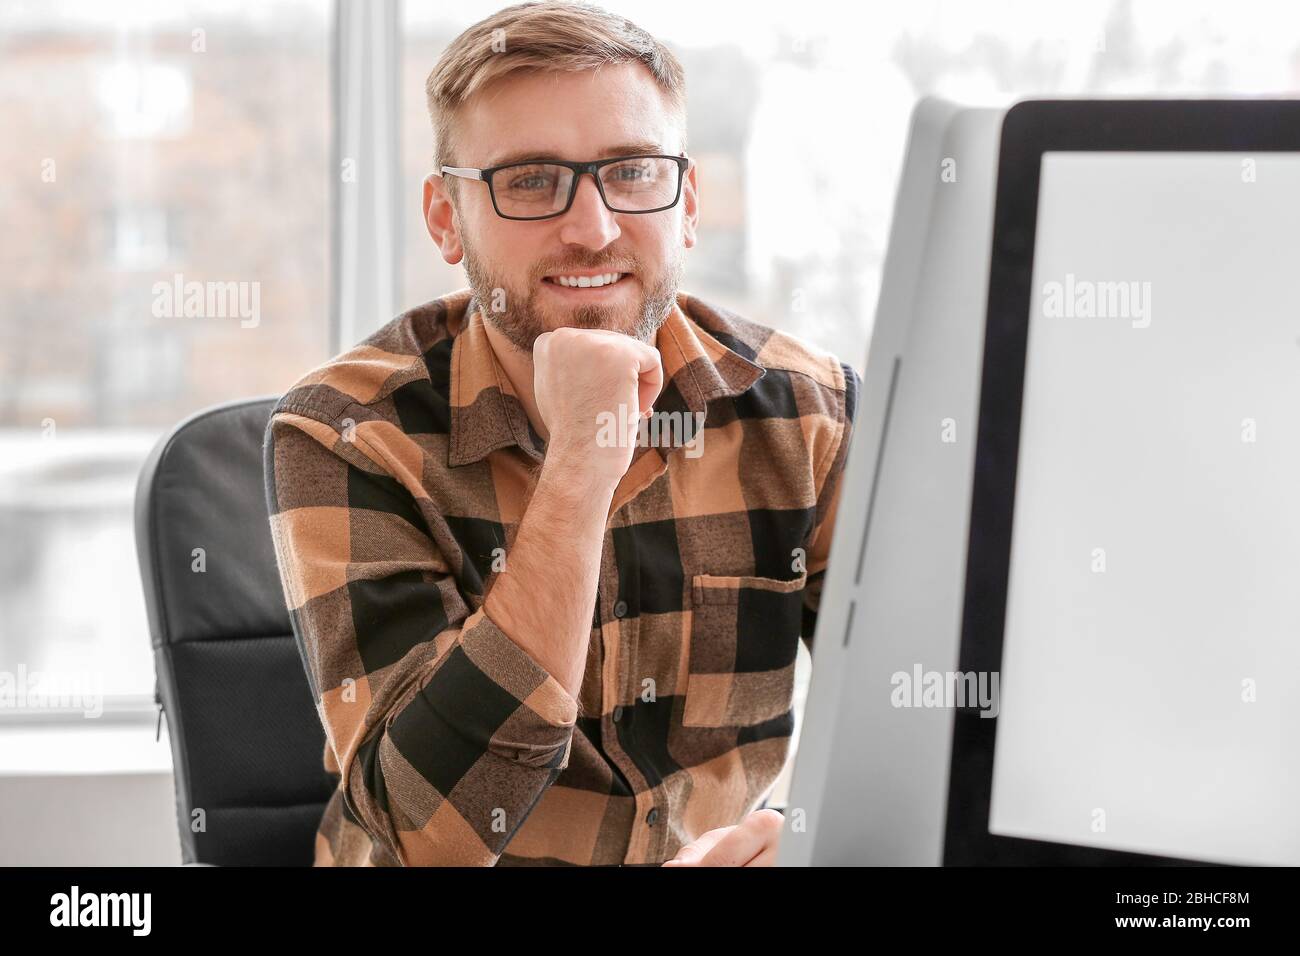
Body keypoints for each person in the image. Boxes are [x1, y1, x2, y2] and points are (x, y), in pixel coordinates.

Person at [264, 0, 858, 866]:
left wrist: (797, 838)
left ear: (687, 203)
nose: (594, 229)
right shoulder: (344, 432)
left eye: (633, 172)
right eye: (532, 180)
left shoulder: (808, 410)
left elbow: (918, 712)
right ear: (445, 219)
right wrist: (583, 457)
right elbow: (432, 837)